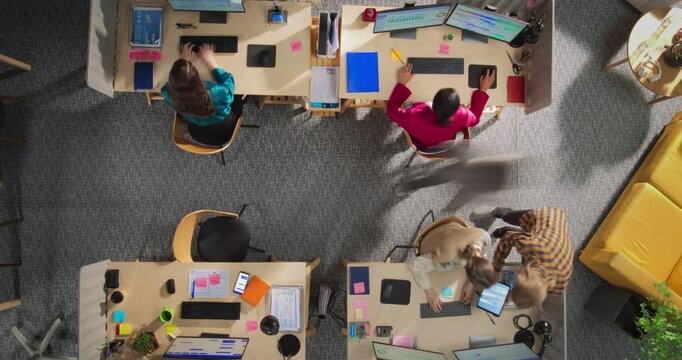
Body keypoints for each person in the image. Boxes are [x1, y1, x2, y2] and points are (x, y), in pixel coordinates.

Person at [472, 207, 574, 308]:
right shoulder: (531, 247)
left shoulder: (559, 287)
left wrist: (512, 296)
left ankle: (511, 232)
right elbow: (508, 238)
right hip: (547, 217)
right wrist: (497, 267)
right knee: (509, 217)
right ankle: (496, 214)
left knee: (522, 237)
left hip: (556, 236)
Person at [386, 64, 495, 150]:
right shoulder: (462, 115)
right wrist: (483, 90)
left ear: (433, 104)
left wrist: (402, 83)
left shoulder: (413, 116)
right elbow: (475, 119)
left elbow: (391, 111)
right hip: (444, 143)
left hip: (421, 142)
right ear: (458, 107)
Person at [161, 43, 242, 146]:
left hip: (196, 132)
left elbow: (169, 87)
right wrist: (209, 60)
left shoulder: (168, 94)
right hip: (225, 133)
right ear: (197, 78)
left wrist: (185, 65)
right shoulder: (217, 93)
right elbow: (228, 81)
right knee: (241, 96)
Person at [411, 217, 496, 312]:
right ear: (468, 274)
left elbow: (481, 256)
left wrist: (470, 284)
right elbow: (418, 264)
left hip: (452, 225)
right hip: (431, 238)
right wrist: (429, 291)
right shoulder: (450, 263)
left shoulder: (484, 236)